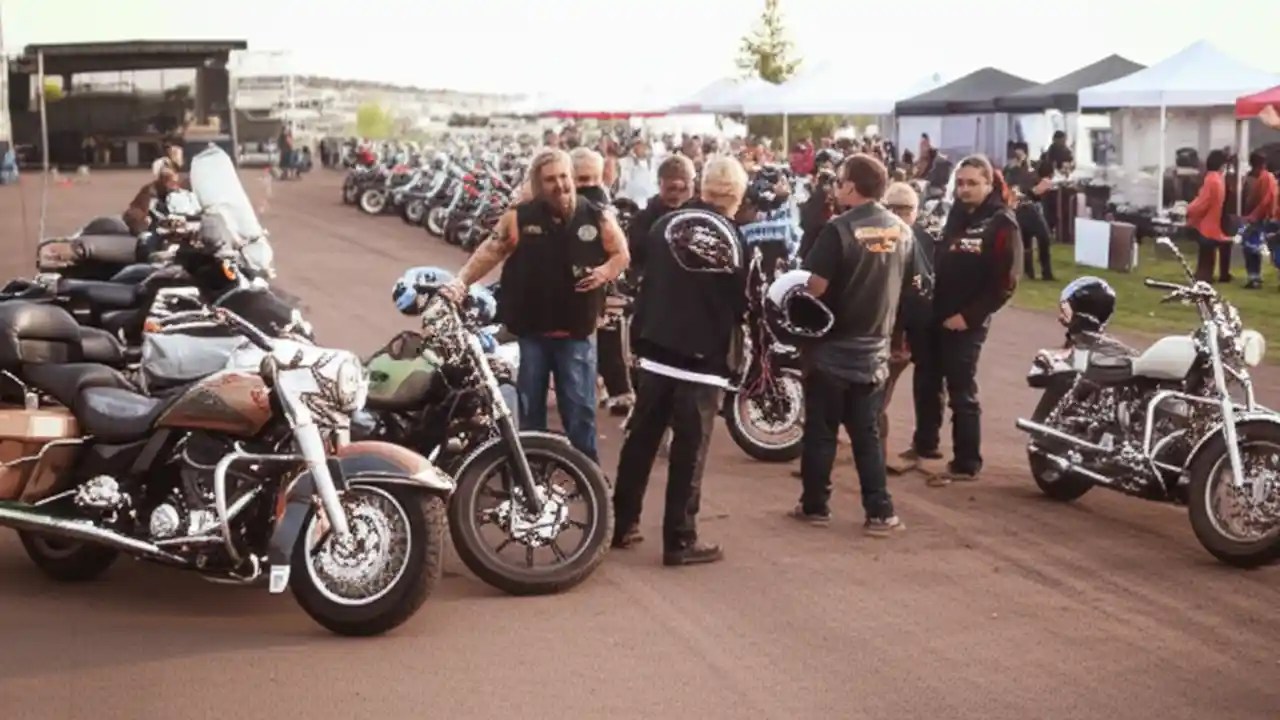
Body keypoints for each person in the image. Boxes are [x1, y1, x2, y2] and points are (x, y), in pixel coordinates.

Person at [440, 149, 630, 462]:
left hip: (576, 334)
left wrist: (604, 272)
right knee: (530, 415)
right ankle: (532, 481)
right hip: (533, 334)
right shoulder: (520, 217)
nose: (560, 185)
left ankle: (589, 474)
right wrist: (461, 282)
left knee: (580, 414)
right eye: (550, 179)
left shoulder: (596, 215)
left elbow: (621, 254)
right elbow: (492, 249)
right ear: (538, 185)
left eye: (563, 176)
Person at [611, 155, 751, 566]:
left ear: (701, 185)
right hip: (701, 357)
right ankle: (680, 539)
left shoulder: (663, 224)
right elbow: (740, 301)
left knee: (640, 441)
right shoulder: (732, 236)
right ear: (737, 196)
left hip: (655, 349)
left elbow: (643, 271)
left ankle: (622, 524)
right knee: (690, 449)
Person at [788, 153, 913, 535]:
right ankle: (880, 511)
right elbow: (910, 285)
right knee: (867, 435)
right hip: (875, 349)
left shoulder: (837, 229)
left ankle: (815, 506)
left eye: (840, 181)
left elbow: (816, 288)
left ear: (851, 187)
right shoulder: (902, 230)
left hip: (832, 347)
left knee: (822, 432)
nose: (836, 186)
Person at [909, 155, 1021, 485]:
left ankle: (967, 461)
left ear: (989, 184)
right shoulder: (952, 216)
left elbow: (1006, 283)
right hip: (934, 313)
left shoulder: (1002, 223)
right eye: (960, 183)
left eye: (972, 183)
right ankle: (925, 444)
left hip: (966, 320)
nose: (965, 189)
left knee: (962, 391)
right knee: (926, 379)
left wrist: (970, 316)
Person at [881, 182, 935, 475]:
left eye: (906, 210)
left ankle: (924, 445)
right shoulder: (880, 237)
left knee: (924, 385)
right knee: (879, 390)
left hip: (913, 326)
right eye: (894, 209)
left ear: (916, 212)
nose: (901, 215)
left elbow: (923, 285)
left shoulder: (925, 240)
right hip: (891, 326)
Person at [1188, 150, 1232, 283]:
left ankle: (1203, 278)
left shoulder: (1211, 179)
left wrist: (1188, 209)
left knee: (1205, 255)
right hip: (1215, 222)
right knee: (1209, 254)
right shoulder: (1219, 179)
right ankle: (1207, 277)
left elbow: (1203, 202)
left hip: (1207, 225)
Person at [1241, 152, 1278, 289]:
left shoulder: (1263, 178)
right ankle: (1255, 277)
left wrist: (1252, 216)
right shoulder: (1268, 178)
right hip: (1265, 218)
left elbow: (1264, 201)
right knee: (1254, 247)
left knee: (1250, 247)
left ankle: (1254, 277)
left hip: (1258, 218)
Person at [124, 166, 187, 235]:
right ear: (164, 181)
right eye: (172, 182)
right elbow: (146, 208)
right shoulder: (150, 190)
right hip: (144, 216)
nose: (175, 185)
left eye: (175, 183)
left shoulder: (172, 192)